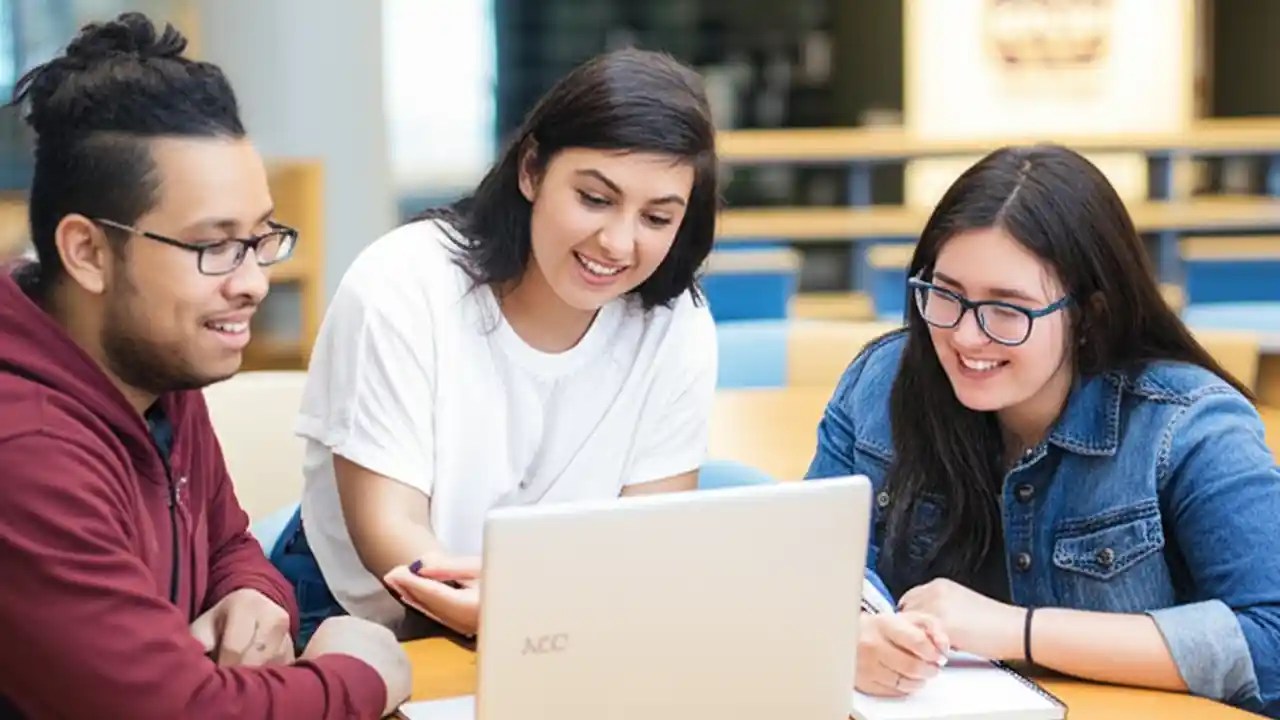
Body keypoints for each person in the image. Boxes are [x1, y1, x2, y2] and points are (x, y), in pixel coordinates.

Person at [0, 13, 409, 719]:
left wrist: (251, 594)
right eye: (215, 246)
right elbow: (176, 710)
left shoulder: (149, 359)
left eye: (260, 239)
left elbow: (228, 540)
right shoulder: (26, 449)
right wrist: (364, 672)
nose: (252, 281)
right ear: (88, 252)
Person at [807, 144, 1280, 715]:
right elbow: (806, 570)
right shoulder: (881, 384)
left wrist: (1017, 631)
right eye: (946, 294)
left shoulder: (1186, 423)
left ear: (1089, 316)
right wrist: (851, 633)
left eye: (1007, 309)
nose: (965, 336)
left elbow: (1270, 638)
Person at [276, 48, 720, 642]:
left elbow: (648, 540)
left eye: (657, 218)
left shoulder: (676, 324)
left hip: (562, 623)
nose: (618, 243)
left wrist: (538, 618)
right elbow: (389, 528)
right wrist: (514, 614)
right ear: (531, 170)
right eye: (594, 199)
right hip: (362, 609)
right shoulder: (403, 283)